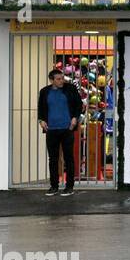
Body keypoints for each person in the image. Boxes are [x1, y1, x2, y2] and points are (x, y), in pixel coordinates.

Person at [38, 68, 83, 197]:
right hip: (51, 129)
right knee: (53, 159)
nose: (61, 81)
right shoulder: (45, 92)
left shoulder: (70, 89)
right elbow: (41, 108)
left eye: (62, 78)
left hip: (67, 128)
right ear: (51, 80)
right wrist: (41, 120)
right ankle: (54, 186)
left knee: (69, 158)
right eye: (58, 79)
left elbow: (78, 105)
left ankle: (69, 187)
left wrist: (75, 118)